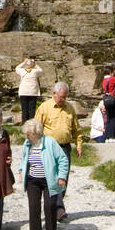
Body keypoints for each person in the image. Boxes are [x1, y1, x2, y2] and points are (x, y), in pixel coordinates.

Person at [19, 118, 69, 230]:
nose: (27, 137)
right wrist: (21, 170)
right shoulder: (27, 144)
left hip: (49, 180)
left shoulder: (50, 142)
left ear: (36, 134)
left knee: (50, 207)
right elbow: (24, 159)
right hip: (32, 180)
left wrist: (62, 176)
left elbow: (63, 159)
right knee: (34, 208)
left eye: (29, 134)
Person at [35, 82, 81, 221]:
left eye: (65, 97)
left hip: (65, 147)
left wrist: (79, 144)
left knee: (63, 177)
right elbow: (36, 128)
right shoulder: (44, 107)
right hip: (48, 147)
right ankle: (58, 209)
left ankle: (55, 206)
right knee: (52, 176)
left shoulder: (70, 108)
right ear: (54, 94)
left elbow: (76, 129)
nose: (63, 99)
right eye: (61, 97)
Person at [15, 57, 43, 123]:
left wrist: (23, 63)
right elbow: (41, 70)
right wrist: (35, 64)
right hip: (33, 92)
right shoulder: (35, 71)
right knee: (32, 109)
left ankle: (24, 123)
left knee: (24, 109)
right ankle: (31, 123)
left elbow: (17, 68)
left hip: (23, 92)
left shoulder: (22, 71)